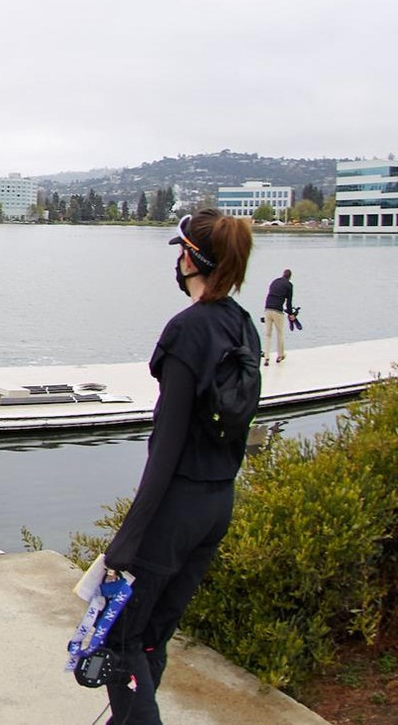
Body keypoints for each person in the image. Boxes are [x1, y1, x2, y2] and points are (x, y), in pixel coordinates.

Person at [101, 210, 260, 725]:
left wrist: (127, 540)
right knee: (150, 640)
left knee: (121, 642)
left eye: (180, 250)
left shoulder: (188, 329)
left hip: (176, 506)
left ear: (192, 258)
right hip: (216, 503)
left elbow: (165, 447)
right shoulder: (241, 323)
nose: (176, 260)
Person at [264, 268, 294, 365]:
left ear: (283, 274)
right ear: (289, 277)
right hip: (277, 310)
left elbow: (270, 295)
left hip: (267, 308)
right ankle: (280, 356)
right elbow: (288, 303)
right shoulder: (289, 285)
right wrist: (291, 314)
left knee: (268, 334)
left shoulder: (275, 282)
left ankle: (266, 358)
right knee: (279, 333)